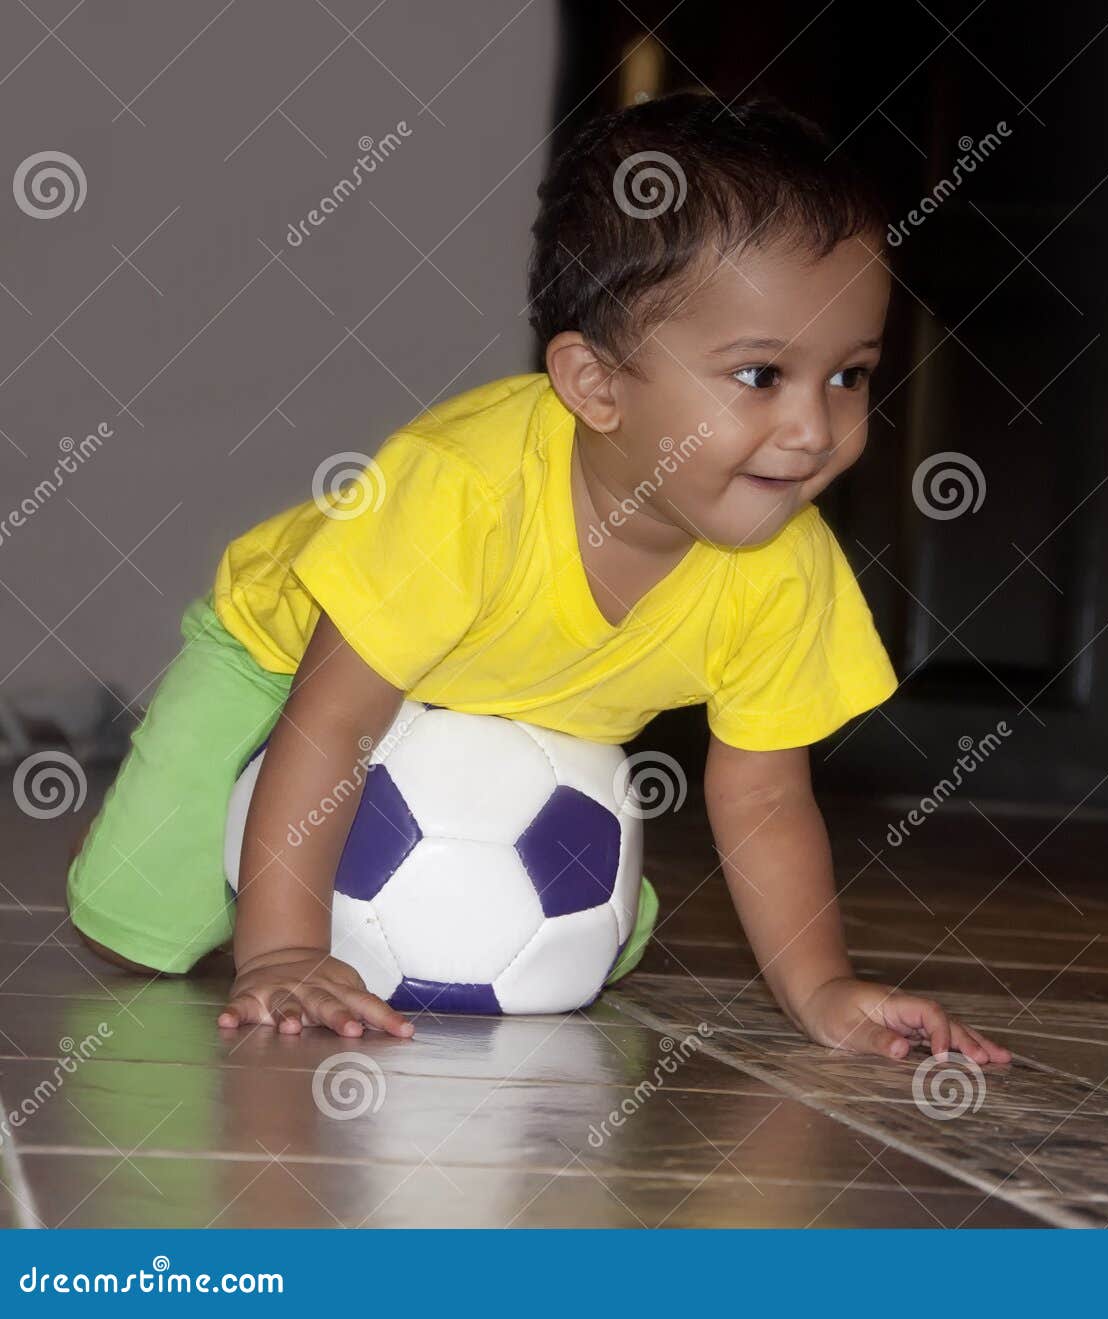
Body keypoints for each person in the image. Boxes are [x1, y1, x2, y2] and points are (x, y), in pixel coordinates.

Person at [65, 90, 1010, 1068]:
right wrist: (286, 950)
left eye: (849, 374)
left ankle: (549, 892)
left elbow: (764, 796)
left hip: (535, 705)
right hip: (285, 660)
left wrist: (822, 990)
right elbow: (334, 721)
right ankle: (261, 886)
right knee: (140, 919)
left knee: (564, 947)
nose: (815, 429)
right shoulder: (460, 489)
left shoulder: (785, 562)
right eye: (762, 376)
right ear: (595, 386)